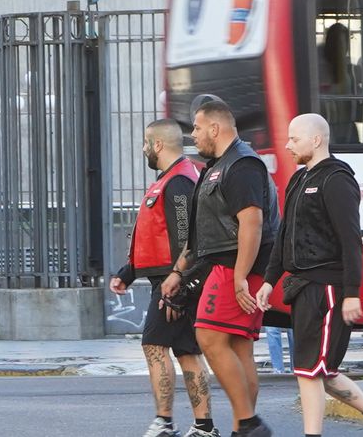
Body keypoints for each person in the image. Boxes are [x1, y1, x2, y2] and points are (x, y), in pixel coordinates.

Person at [256, 113, 363, 437]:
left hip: (326, 288)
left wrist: (352, 292)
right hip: (302, 287)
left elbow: (351, 239)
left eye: (293, 139)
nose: (286, 145)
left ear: (316, 140)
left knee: (309, 371)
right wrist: (270, 280)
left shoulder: (337, 179)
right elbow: (285, 236)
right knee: (321, 370)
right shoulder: (298, 180)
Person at [163, 99, 279, 437]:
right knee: (237, 345)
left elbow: (252, 222)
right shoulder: (218, 165)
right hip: (228, 264)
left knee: (209, 336)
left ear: (216, 128)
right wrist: (178, 271)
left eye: (197, 128)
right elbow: (203, 231)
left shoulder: (241, 164)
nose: (193, 135)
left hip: (237, 266)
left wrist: (241, 275)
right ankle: (244, 427)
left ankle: (248, 424)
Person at [109, 119, 219, 437]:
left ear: (157, 145)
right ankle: (203, 427)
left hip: (174, 284)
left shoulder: (179, 182)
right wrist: (127, 275)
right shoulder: (169, 179)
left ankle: (165, 422)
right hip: (169, 280)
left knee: (154, 346)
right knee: (186, 350)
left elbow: (186, 240)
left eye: (146, 143)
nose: (143, 149)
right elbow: (155, 235)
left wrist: (180, 285)